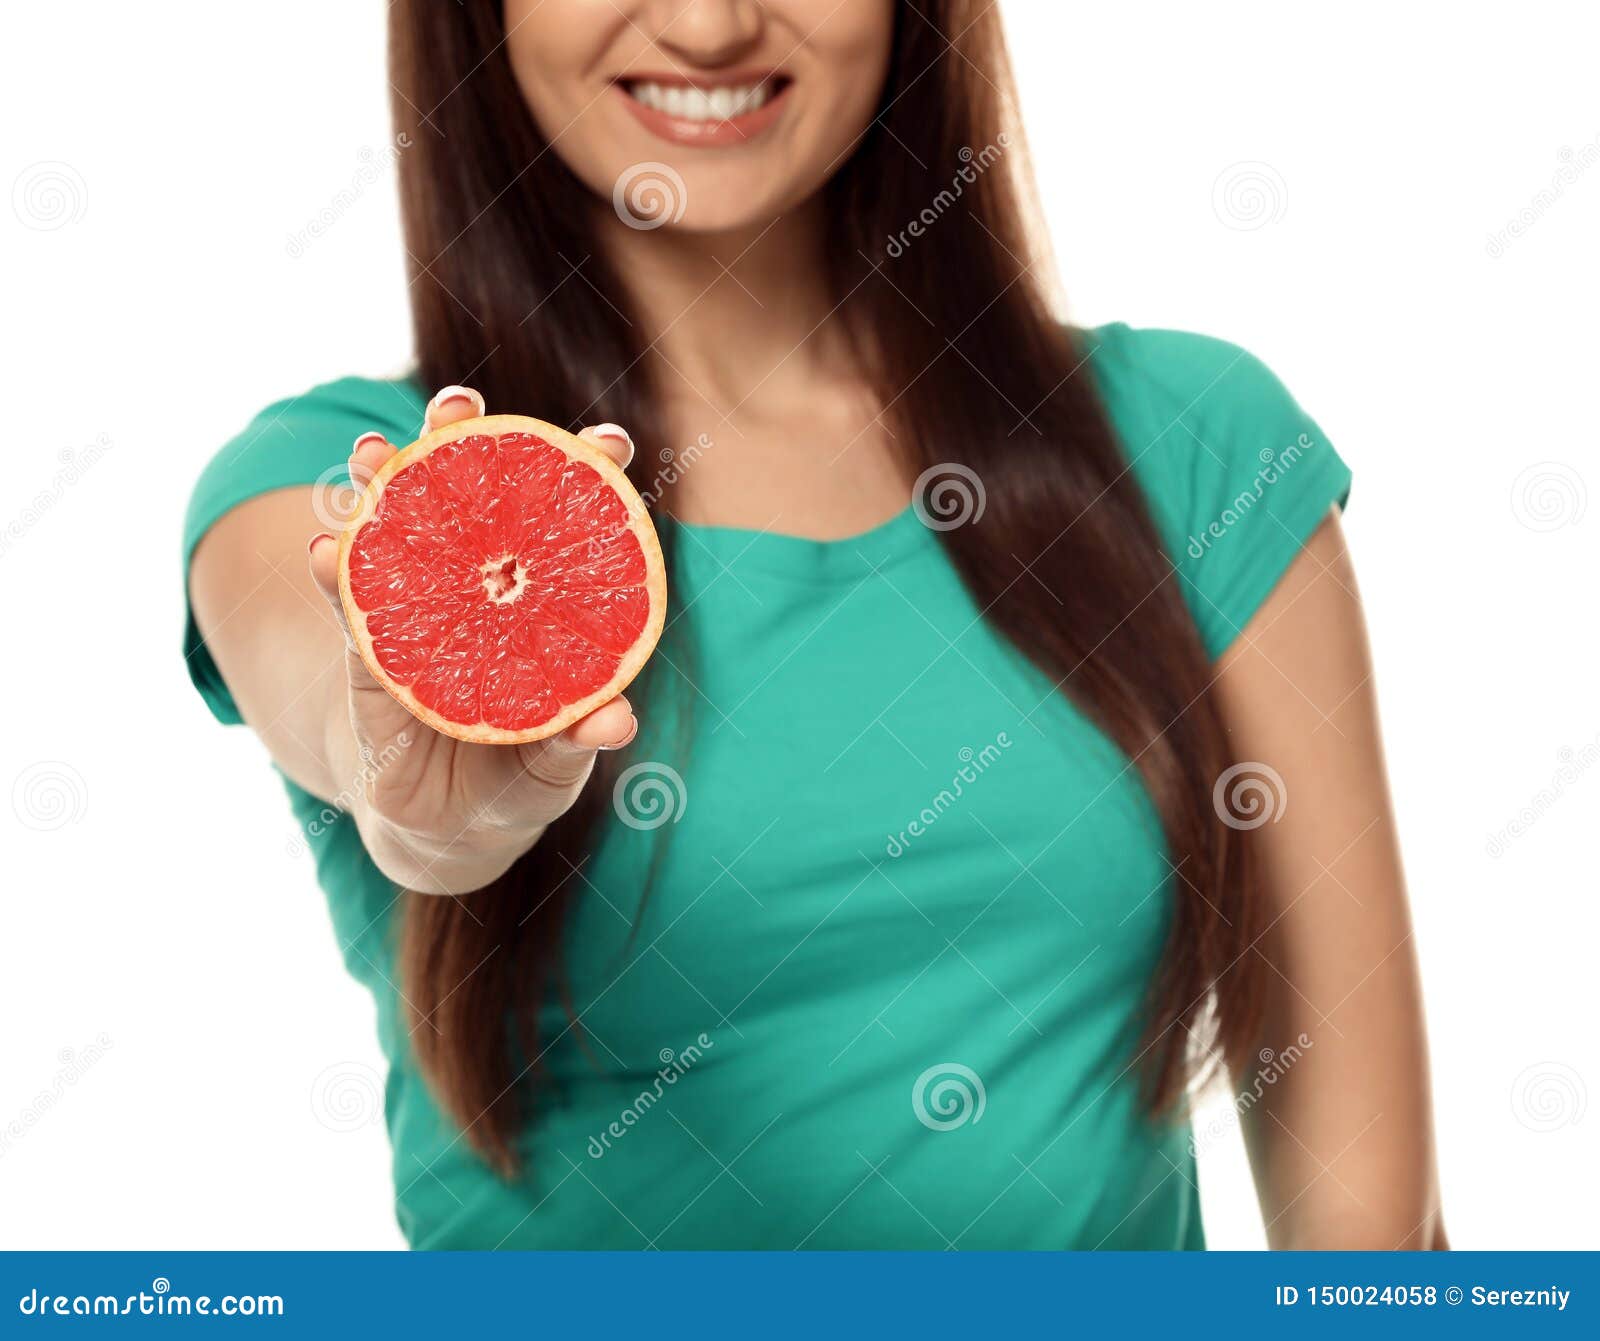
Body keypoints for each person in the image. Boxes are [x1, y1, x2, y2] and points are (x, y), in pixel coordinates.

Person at [184, 0, 1445, 1250]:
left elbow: (1371, 1248)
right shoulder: (329, 488)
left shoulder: (1193, 444)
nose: (709, 25)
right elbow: (354, 725)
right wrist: (439, 796)